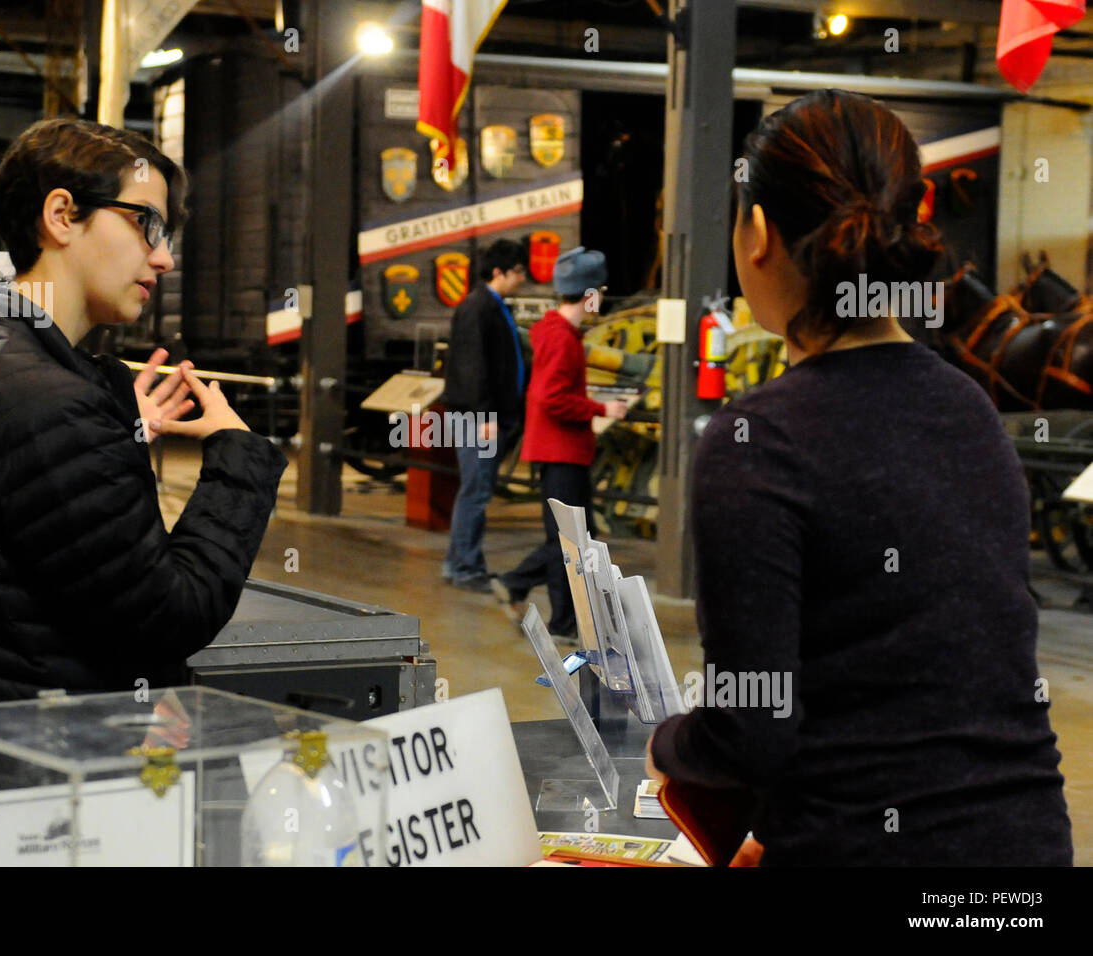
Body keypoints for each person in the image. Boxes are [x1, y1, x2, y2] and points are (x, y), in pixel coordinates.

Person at [644, 89, 1073, 865]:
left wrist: (669, 747)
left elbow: (751, 729)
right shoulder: (971, 411)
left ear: (759, 234)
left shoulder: (757, 439)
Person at [0, 118, 288, 707]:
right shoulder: (48, 403)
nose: (164, 260)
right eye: (146, 224)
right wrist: (237, 456)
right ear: (61, 216)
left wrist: (111, 433)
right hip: (43, 767)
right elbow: (168, 618)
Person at [492, 247, 626, 639]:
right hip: (562, 451)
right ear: (589, 294)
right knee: (572, 542)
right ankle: (516, 582)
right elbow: (551, 397)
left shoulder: (553, 333)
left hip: (556, 451)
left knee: (570, 541)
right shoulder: (563, 339)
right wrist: (602, 407)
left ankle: (563, 622)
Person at [439, 238, 527, 592]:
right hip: (478, 420)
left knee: (476, 489)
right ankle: (465, 567)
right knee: (475, 491)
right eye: (518, 271)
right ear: (499, 272)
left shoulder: (491, 306)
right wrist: (487, 416)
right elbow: (473, 367)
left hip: (484, 417)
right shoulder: (479, 308)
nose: (523, 278)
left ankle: (458, 561)